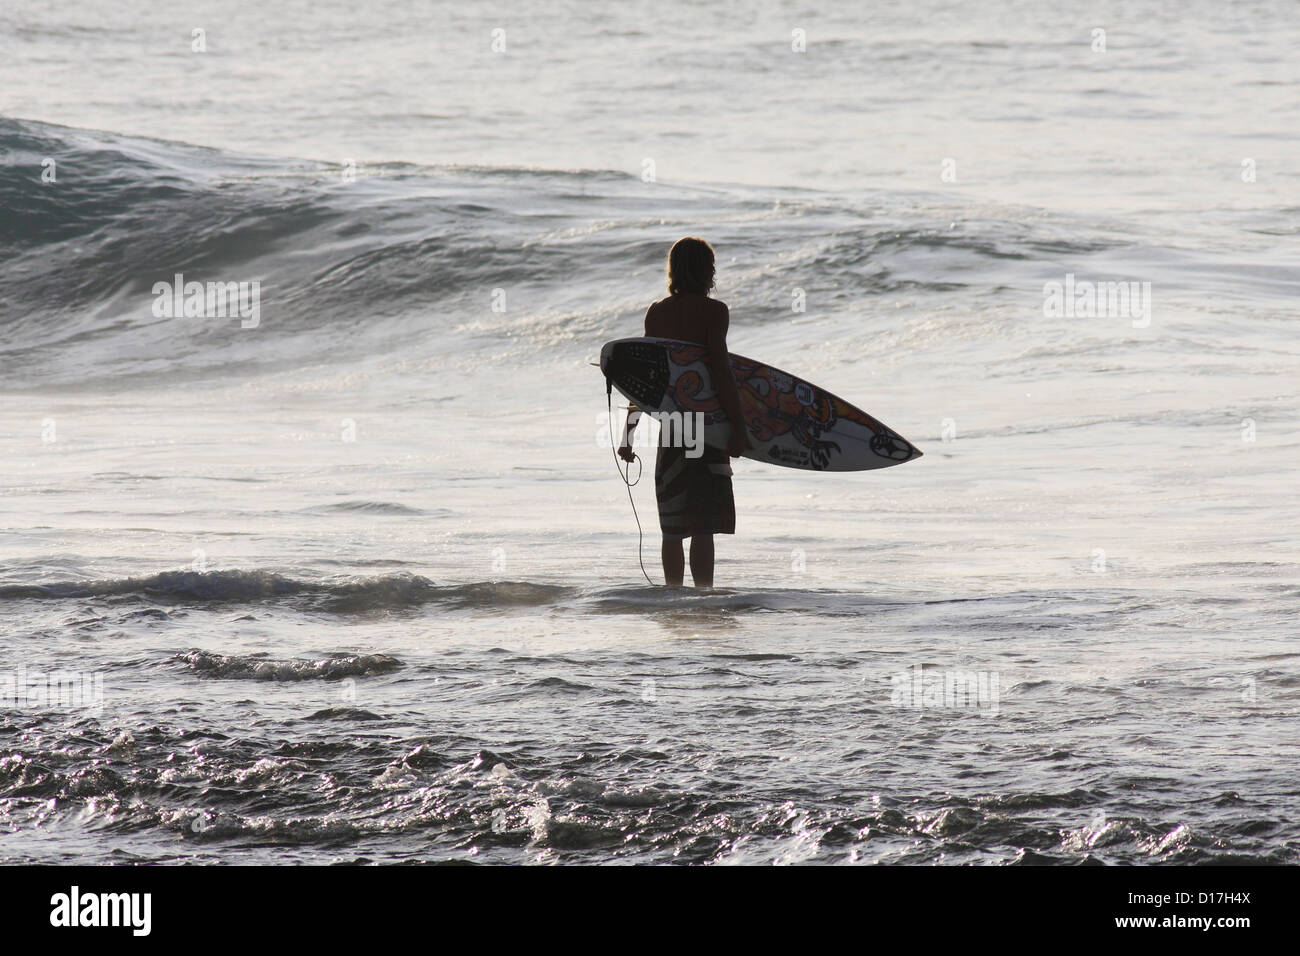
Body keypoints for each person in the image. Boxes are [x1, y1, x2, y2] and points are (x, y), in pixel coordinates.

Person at [618, 237, 751, 587]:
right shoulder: (714, 312)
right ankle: (703, 597)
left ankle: (673, 598)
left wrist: (627, 434)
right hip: (707, 428)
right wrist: (738, 426)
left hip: (673, 428)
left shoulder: (657, 313)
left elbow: (645, 380)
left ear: (673, 270)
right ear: (708, 271)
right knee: (703, 525)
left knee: (673, 525)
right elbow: (720, 373)